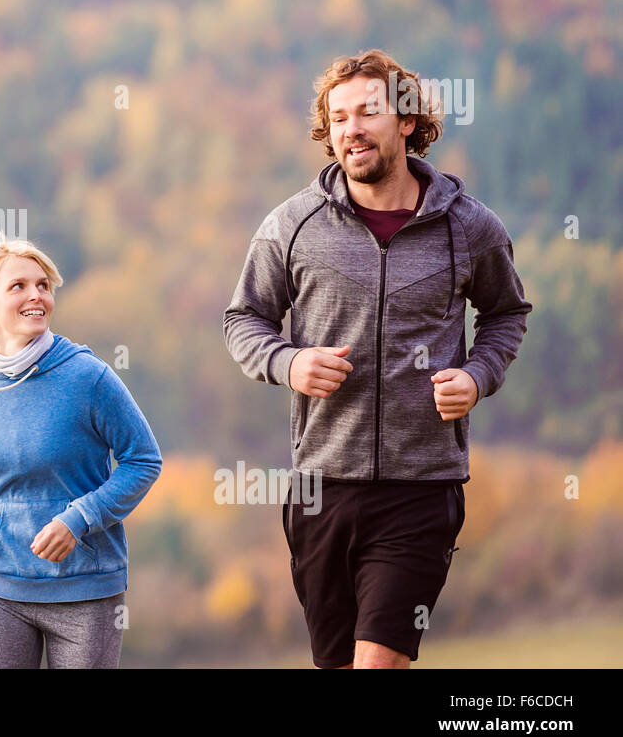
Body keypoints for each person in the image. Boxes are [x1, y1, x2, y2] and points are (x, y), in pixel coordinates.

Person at [223, 49, 531, 668]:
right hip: (320, 490)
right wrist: (289, 363)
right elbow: (243, 320)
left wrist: (477, 376)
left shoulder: (469, 228)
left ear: (408, 122)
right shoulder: (292, 225)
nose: (351, 130)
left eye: (368, 112)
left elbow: (506, 314)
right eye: (338, 118)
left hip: (421, 488)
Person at [0, 231, 162, 668]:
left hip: (88, 592)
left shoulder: (87, 377)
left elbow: (143, 460)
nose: (36, 295)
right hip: (0, 590)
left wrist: (79, 519)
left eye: (43, 285)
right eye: (18, 286)